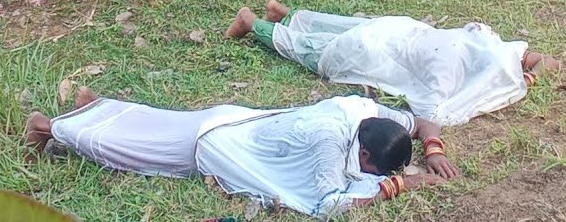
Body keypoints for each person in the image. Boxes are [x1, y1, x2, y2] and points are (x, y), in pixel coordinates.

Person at [26, 87, 458, 218]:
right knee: (135, 150)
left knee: (159, 118)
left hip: (237, 118)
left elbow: (419, 122)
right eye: (370, 168)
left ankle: (94, 105)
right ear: (363, 152)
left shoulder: (363, 111)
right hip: (217, 146)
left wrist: (433, 147)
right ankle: (49, 127)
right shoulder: (330, 141)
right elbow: (328, 204)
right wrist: (399, 184)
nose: (367, 173)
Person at [227, 0, 563, 124]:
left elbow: (545, 61)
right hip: (375, 52)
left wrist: (522, 77)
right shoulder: (446, 74)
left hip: (402, 29)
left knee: (344, 27)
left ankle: (286, 14)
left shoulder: (488, 42)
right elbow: (431, 114)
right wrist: (518, 87)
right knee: (317, 54)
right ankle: (253, 23)